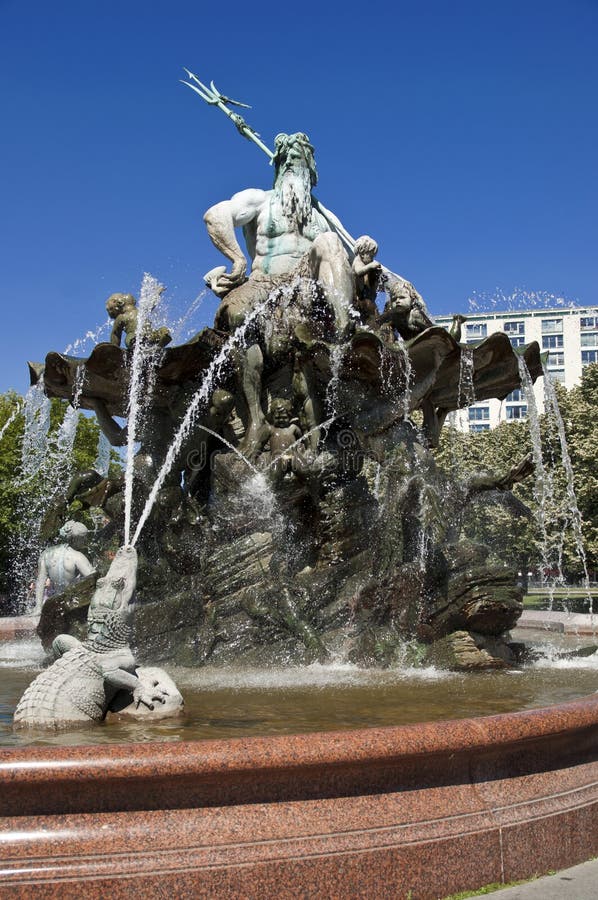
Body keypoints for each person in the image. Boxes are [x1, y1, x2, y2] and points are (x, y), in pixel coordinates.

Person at [203, 132, 355, 454]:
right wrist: (236, 259)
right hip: (262, 283)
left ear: (310, 170)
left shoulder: (326, 218)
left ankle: (341, 339)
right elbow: (217, 215)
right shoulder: (261, 199)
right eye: (285, 160)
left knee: (329, 243)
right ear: (277, 167)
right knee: (238, 315)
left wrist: (366, 252)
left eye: (298, 160)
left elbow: (352, 260)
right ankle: (255, 420)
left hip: (304, 287)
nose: (291, 165)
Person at [35, 521, 95, 612]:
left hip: (53, 604)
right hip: (72, 605)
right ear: (76, 539)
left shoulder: (46, 554)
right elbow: (94, 579)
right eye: (83, 538)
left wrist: (38, 607)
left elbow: (40, 582)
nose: (85, 541)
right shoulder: (78, 556)